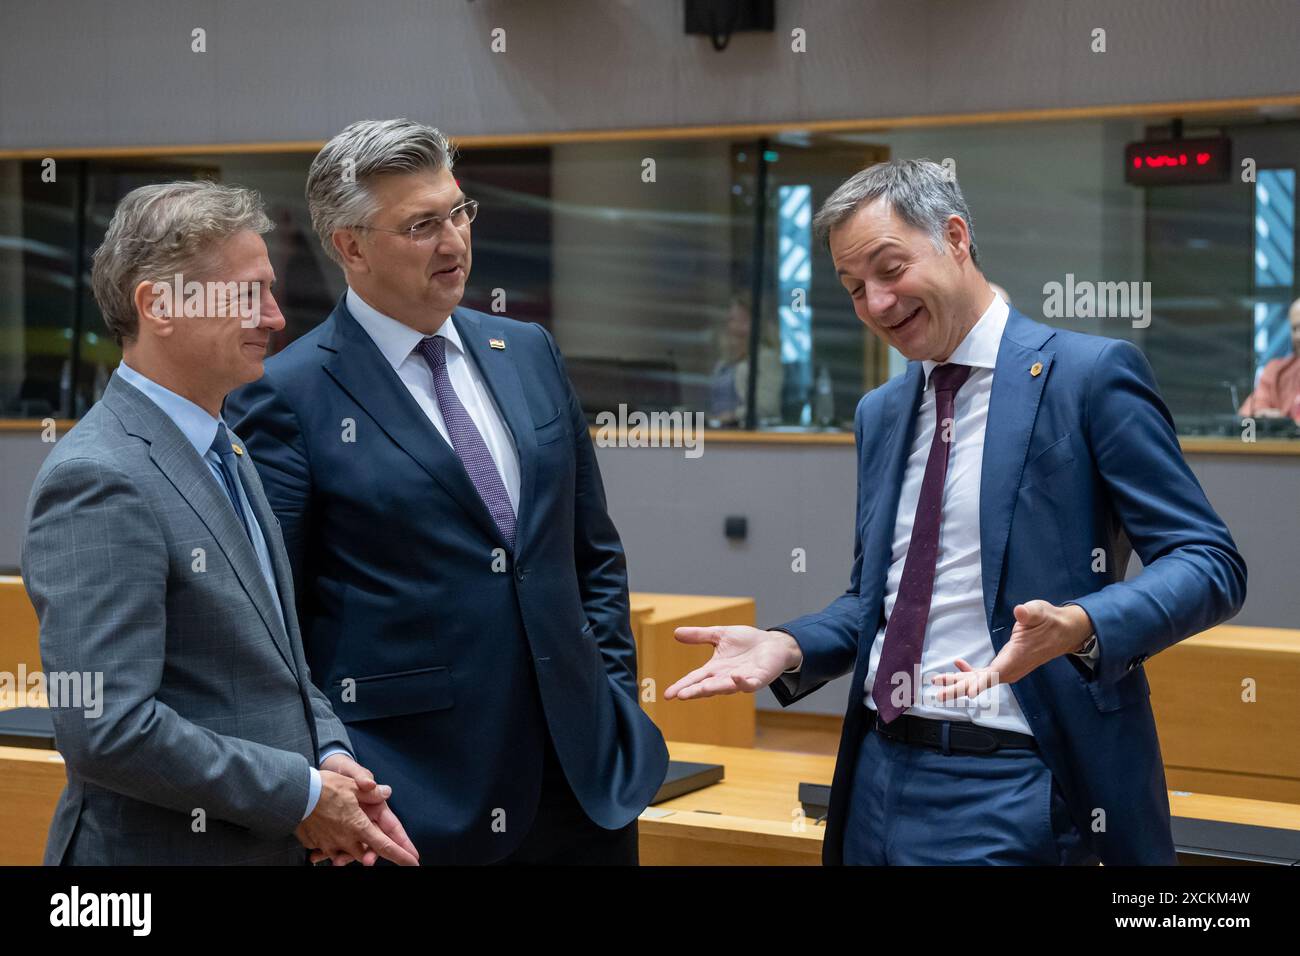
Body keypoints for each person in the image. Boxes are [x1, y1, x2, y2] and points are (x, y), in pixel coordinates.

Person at [666, 159, 1247, 865]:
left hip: (1015, 781)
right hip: (876, 777)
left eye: (889, 269)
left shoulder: (1087, 377)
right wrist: (791, 645)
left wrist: (1086, 624)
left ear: (956, 236)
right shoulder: (882, 412)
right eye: (854, 289)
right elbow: (877, 601)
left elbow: (1209, 561)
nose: (876, 304)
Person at [225, 119, 668, 864]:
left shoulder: (527, 351)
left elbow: (589, 551)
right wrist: (325, 774)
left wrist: (612, 696)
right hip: (413, 803)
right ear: (351, 246)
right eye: (421, 225)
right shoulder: (285, 394)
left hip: (585, 784)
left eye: (458, 212)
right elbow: (271, 622)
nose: (454, 242)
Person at [22, 181, 418, 865]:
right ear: (158, 306)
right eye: (247, 295)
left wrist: (328, 752)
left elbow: (277, 662)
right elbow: (104, 727)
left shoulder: (226, 444)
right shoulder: (98, 476)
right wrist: (299, 794)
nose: (274, 318)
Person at [1238, 296, 1300, 422]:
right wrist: (1276, 420)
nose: (1298, 335)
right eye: (1294, 328)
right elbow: (1249, 409)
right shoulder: (1276, 371)